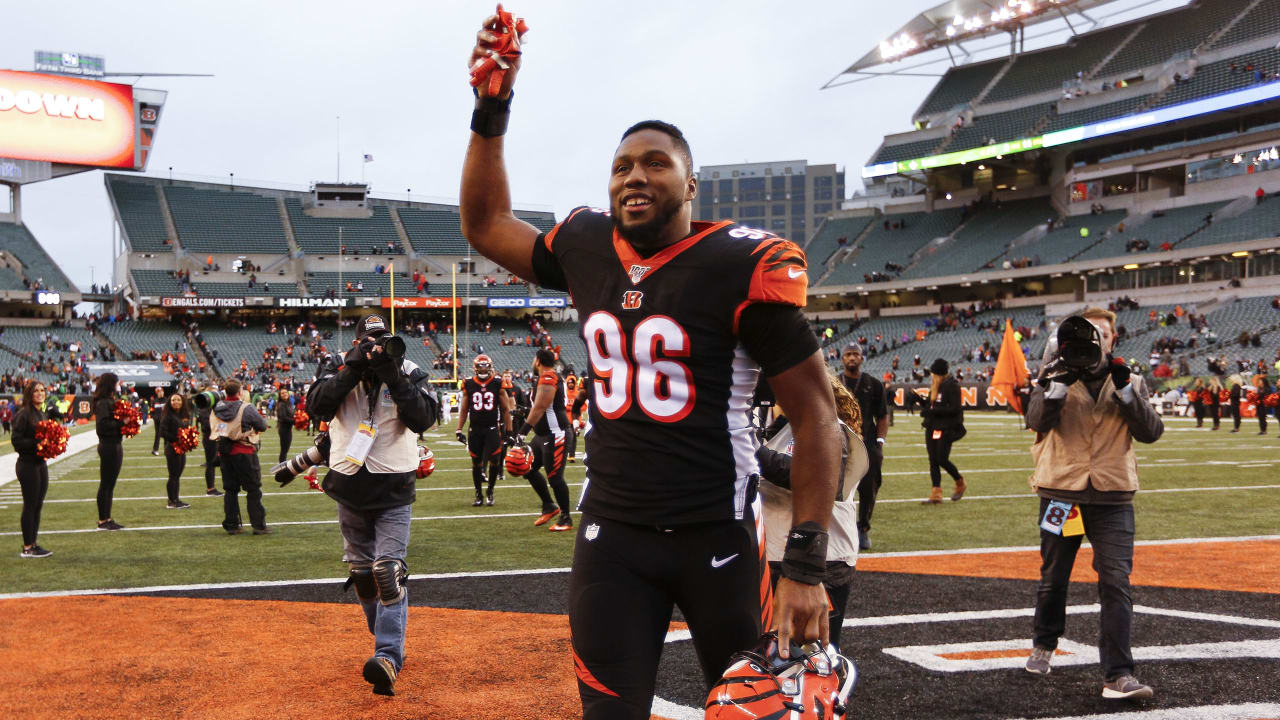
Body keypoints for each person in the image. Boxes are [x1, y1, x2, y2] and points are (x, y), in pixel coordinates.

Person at [459, 18, 840, 717]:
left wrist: (806, 566)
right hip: (614, 535)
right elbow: (485, 224)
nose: (635, 175)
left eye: (655, 162)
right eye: (621, 166)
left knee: (761, 709)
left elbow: (818, 417)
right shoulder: (584, 246)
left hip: (718, 536)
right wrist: (491, 110)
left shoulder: (737, 266)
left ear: (691, 182)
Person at [1024, 308, 1163, 700]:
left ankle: (1118, 674)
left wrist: (1126, 393)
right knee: (1054, 577)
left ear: (1112, 340)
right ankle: (1044, 643)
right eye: (1087, 334)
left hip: (1113, 497)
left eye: (1101, 334)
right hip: (1061, 494)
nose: (1094, 340)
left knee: (1116, 582)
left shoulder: (1131, 379)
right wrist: (1055, 388)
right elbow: (1036, 421)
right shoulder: (1052, 375)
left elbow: (1151, 432)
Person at [307, 314, 438, 697]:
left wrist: (393, 375)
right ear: (357, 342)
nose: (377, 347)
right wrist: (353, 367)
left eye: (383, 340)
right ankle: (385, 637)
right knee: (363, 575)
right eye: (370, 341)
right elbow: (318, 406)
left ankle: (387, 656)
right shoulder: (337, 367)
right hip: (349, 486)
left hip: (395, 485)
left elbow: (424, 418)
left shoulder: (408, 369)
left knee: (387, 571)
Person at [756, 373, 867, 651]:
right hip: (788, 551)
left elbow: (803, 474)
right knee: (778, 655)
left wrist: (751, 450)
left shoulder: (828, 429)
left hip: (820, 558)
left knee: (813, 654)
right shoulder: (788, 427)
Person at [513, 348, 573, 530]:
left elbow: (540, 408)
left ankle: (566, 518)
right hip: (542, 435)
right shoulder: (545, 377)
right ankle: (549, 505)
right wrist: (523, 412)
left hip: (555, 433)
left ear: (538, 360)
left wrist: (522, 432)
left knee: (555, 477)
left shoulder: (548, 377)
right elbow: (542, 408)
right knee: (527, 468)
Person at [839, 343, 888, 549]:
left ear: (862, 358)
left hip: (867, 444)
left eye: (855, 354)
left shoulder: (874, 384)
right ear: (842, 359)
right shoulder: (834, 383)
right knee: (838, 489)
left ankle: (863, 528)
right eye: (848, 354)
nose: (852, 358)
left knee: (869, 489)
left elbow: (883, 416)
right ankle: (840, 530)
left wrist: (879, 442)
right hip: (839, 443)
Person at [212, 380, 269, 535]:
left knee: (230, 490)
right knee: (253, 490)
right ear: (240, 391)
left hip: (225, 452)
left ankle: (232, 525)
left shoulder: (217, 407)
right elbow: (262, 425)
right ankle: (258, 525)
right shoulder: (246, 407)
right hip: (244, 452)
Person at [456, 354, 510, 506]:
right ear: (475, 368)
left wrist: (510, 431)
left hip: (492, 428)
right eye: (480, 366)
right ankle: (478, 494)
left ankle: (490, 491)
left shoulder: (498, 383)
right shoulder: (468, 383)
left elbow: (506, 409)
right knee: (476, 463)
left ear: (490, 366)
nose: (483, 368)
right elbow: (464, 409)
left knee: (494, 461)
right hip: (475, 429)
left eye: (486, 366)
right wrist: (459, 429)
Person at [13, 381, 53, 558]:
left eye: (42, 390)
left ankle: (33, 543)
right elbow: (17, 441)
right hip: (27, 465)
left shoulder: (41, 413)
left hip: (40, 463)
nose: (40, 393)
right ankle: (28, 547)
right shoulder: (24, 414)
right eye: (36, 391)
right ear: (30, 394)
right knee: (30, 506)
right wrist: (37, 444)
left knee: (38, 505)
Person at [921, 358, 966, 504]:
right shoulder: (935, 386)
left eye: (934, 373)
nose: (932, 376)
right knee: (933, 460)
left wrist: (933, 412)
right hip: (932, 426)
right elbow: (930, 405)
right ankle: (936, 492)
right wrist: (920, 401)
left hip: (945, 428)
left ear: (939, 374)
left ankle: (959, 482)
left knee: (941, 458)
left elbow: (955, 409)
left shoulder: (952, 386)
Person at [92, 373, 125, 530]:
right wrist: (121, 422)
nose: (118, 385)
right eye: (116, 383)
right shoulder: (103, 402)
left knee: (110, 484)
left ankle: (107, 518)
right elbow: (103, 426)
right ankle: (102, 520)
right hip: (108, 445)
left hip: (114, 444)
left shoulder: (109, 400)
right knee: (106, 484)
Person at [159, 393, 193, 509]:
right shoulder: (167, 415)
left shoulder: (184, 414)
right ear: (170, 402)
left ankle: (176, 499)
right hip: (172, 448)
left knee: (177, 475)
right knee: (173, 475)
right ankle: (171, 501)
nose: (176, 402)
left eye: (178, 400)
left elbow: (187, 429)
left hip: (181, 448)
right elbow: (162, 432)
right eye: (173, 400)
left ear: (182, 402)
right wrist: (176, 439)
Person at [196, 387, 224, 497]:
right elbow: (207, 425)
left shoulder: (216, 406)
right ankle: (210, 488)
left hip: (217, 437)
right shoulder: (205, 408)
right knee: (211, 463)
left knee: (221, 462)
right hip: (210, 438)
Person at [276, 388, 296, 464]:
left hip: (288, 429)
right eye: (282, 393)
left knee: (285, 449)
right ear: (280, 396)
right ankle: (282, 468)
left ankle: (282, 467)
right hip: (284, 429)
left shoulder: (289, 403)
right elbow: (283, 418)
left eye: (285, 392)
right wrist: (295, 421)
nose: (284, 394)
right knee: (284, 450)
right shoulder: (281, 405)